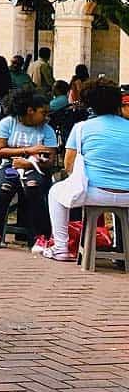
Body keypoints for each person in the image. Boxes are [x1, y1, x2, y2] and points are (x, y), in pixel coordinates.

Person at [44, 81, 129, 261]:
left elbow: (69, 165)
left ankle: (60, 248)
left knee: (55, 192)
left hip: (94, 193)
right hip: (127, 196)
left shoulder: (81, 128)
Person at [0, 90, 57, 253]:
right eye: (43, 113)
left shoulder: (47, 130)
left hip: (35, 168)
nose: (47, 117)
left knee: (33, 186)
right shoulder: (8, 123)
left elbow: (50, 159)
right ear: (30, 111)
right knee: (5, 189)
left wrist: (31, 162)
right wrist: (27, 151)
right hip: (11, 166)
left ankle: (41, 235)